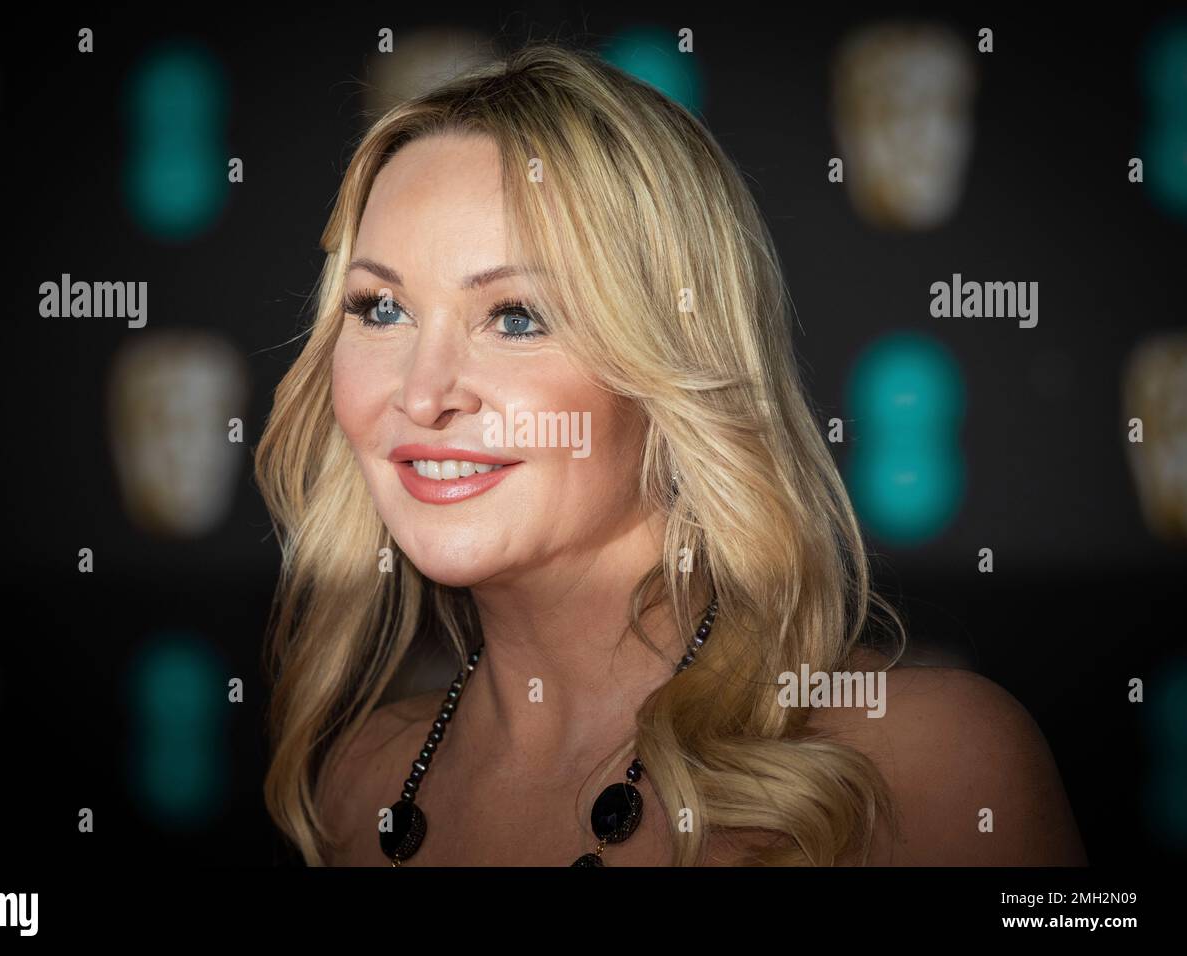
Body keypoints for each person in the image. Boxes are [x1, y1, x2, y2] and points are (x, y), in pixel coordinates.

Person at [253, 41, 1086, 867]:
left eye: (515, 316)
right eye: (381, 309)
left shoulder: (937, 766)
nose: (424, 394)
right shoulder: (358, 787)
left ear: (670, 367)